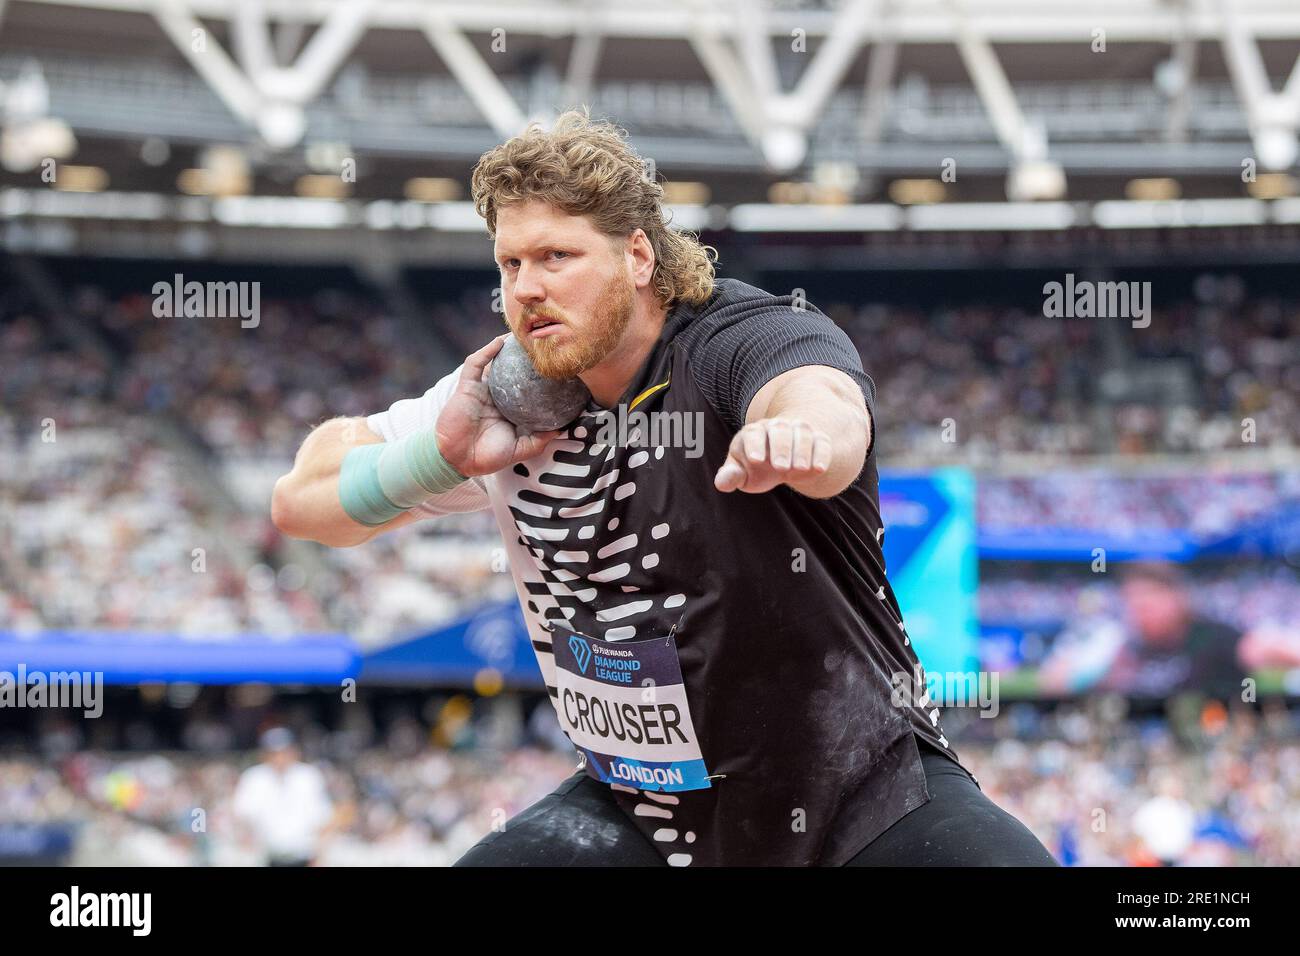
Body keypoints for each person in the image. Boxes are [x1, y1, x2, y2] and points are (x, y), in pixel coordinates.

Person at [272, 107, 1056, 867]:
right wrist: (435, 460)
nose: (527, 289)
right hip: (643, 813)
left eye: (557, 258)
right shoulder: (506, 395)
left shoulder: (741, 340)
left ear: (639, 256)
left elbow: (822, 402)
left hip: (857, 795)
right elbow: (299, 505)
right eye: (511, 264)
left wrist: (795, 435)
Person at [231, 727, 336, 866]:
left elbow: (324, 817)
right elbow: (241, 814)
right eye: (274, 753)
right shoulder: (253, 778)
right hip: (264, 856)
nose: (279, 757)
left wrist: (319, 853)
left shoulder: (309, 776)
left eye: (284, 752)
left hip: (303, 854)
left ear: (294, 752)